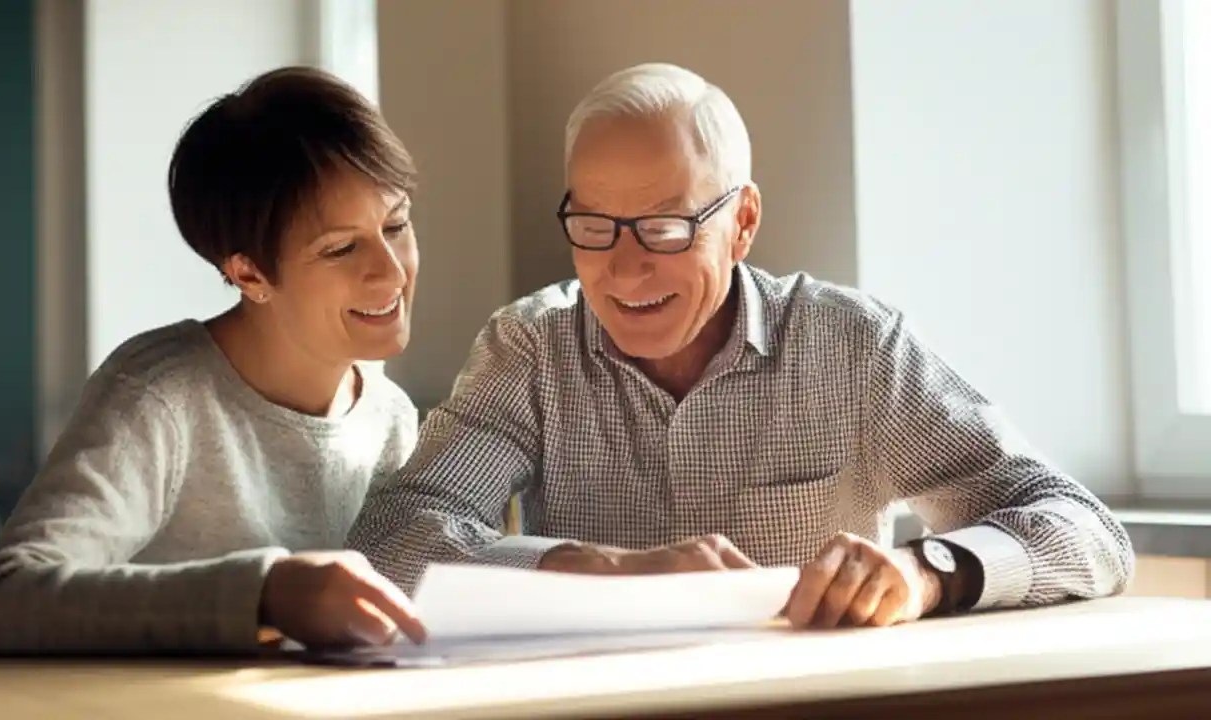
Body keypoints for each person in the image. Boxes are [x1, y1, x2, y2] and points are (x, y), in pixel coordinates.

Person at [351, 63, 1134, 629]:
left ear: (743, 222)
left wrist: (924, 573)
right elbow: (393, 537)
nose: (624, 270)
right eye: (593, 228)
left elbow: (1084, 529)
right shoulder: (531, 350)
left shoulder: (854, 347)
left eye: (665, 228)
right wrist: (605, 571)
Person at [0, 67, 426, 653]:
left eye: (396, 225)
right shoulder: (160, 395)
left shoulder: (390, 418)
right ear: (248, 273)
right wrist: (264, 594)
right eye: (340, 248)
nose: (390, 269)